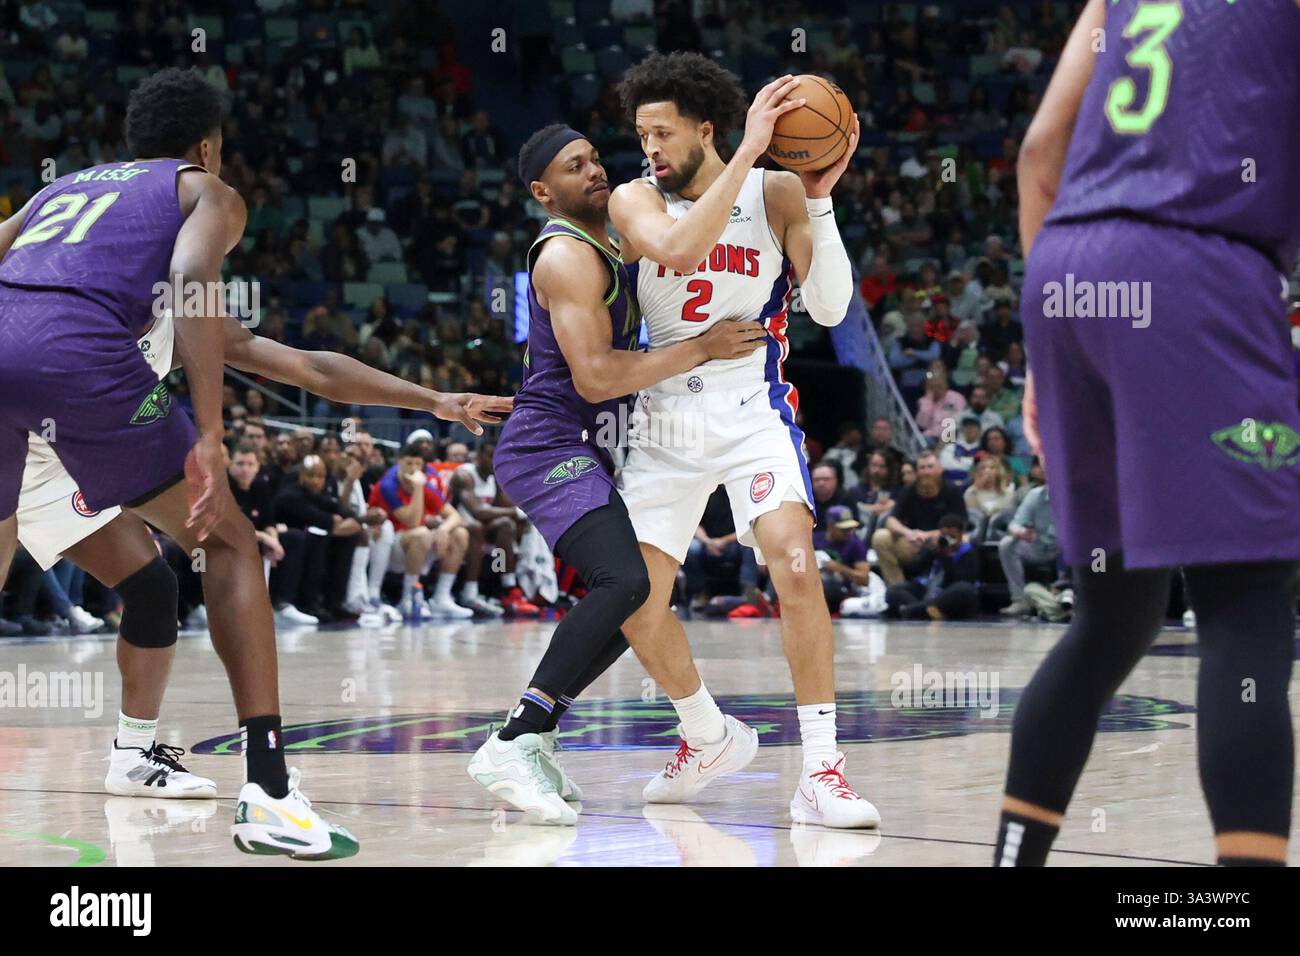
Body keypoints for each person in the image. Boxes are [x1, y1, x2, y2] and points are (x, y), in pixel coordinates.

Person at [0, 69, 511, 857]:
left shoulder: (61, 204)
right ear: (206, 147)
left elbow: (305, 366)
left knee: (151, 583)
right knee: (230, 542)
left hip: (20, 388)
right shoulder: (204, 194)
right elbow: (196, 280)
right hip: (71, 382)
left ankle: (135, 756)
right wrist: (208, 433)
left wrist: (434, 401)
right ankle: (269, 790)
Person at [996, 0, 1300, 868]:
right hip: (1194, 271)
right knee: (1243, 605)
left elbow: (1037, 154)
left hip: (1067, 275)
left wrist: (1041, 344)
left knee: (1114, 616)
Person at [468, 124, 768, 824]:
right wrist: (702, 346)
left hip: (586, 440)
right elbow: (598, 377)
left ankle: (536, 733)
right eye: (575, 168)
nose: (594, 171)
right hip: (549, 446)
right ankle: (514, 737)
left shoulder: (607, 239)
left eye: (596, 158)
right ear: (544, 192)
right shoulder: (566, 257)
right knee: (627, 582)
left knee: (638, 598)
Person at [609, 53, 879, 828]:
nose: (649, 148)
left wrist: (819, 199)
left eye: (662, 132)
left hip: (752, 408)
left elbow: (828, 309)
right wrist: (752, 155)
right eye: (641, 134)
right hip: (663, 420)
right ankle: (707, 734)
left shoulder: (777, 190)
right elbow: (682, 250)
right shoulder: (634, 199)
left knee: (796, 565)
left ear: (706, 128)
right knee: (634, 601)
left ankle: (822, 772)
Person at [870, 450, 968, 585]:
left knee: (960, 540)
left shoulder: (952, 491)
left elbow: (961, 526)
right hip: (913, 542)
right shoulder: (908, 491)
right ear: (917, 472)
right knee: (881, 537)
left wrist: (926, 535)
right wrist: (909, 533)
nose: (926, 472)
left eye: (930, 467)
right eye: (922, 468)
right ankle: (897, 588)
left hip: (942, 540)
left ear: (940, 470)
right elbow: (891, 520)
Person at [883, 512, 979, 620]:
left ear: (961, 534)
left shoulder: (968, 552)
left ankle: (914, 610)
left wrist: (947, 557)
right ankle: (922, 610)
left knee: (964, 589)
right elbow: (911, 571)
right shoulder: (935, 547)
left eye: (952, 537)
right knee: (893, 590)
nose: (949, 540)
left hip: (948, 593)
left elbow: (961, 580)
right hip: (927, 589)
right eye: (945, 536)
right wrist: (928, 552)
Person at [997, 479, 1058, 617]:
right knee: (1007, 545)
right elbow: (1014, 524)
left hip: (1067, 547)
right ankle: (1020, 600)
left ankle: (1080, 599)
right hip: (1038, 545)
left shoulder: (1077, 497)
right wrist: (1020, 532)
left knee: (1097, 550)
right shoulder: (1035, 495)